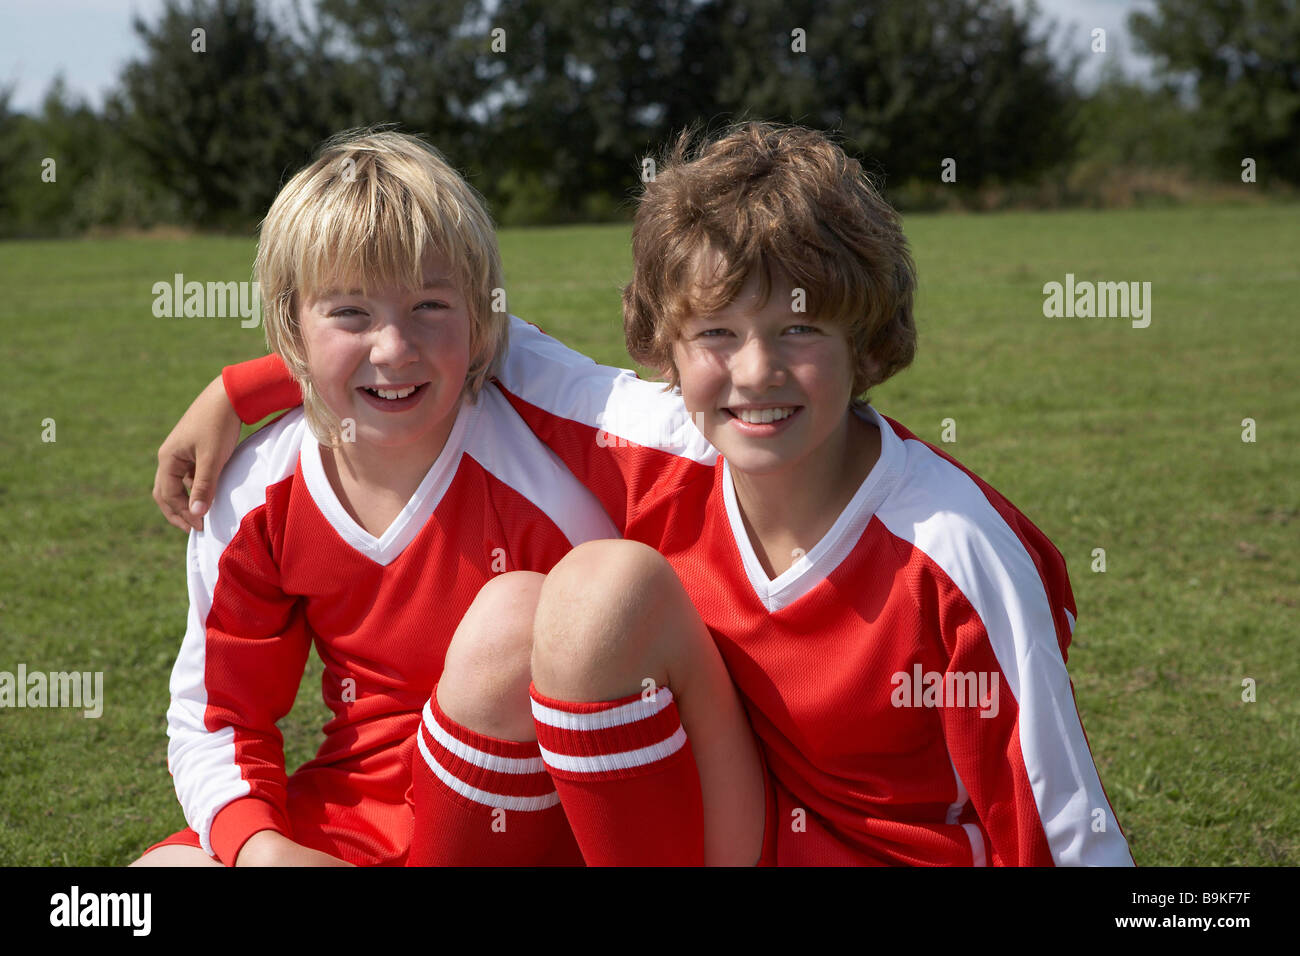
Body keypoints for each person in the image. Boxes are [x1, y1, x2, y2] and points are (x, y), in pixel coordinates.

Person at [154, 122, 1132, 865]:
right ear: (669, 346)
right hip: (362, 812)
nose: (753, 373)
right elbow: (401, 342)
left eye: (798, 331)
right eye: (714, 337)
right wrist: (242, 385)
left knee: (572, 603)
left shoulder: (927, 540)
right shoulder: (254, 490)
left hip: (619, 828)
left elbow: (1065, 825)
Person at [134, 128, 763, 867]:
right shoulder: (251, 492)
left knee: (513, 629)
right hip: (356, 808)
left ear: (480, 316)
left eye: (431, 306)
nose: (394, 349)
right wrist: (263, 851)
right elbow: (219, 718)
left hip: (537, 816)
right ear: (290, 327)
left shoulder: (555, 438)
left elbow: (714, 430)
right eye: (350, 313)